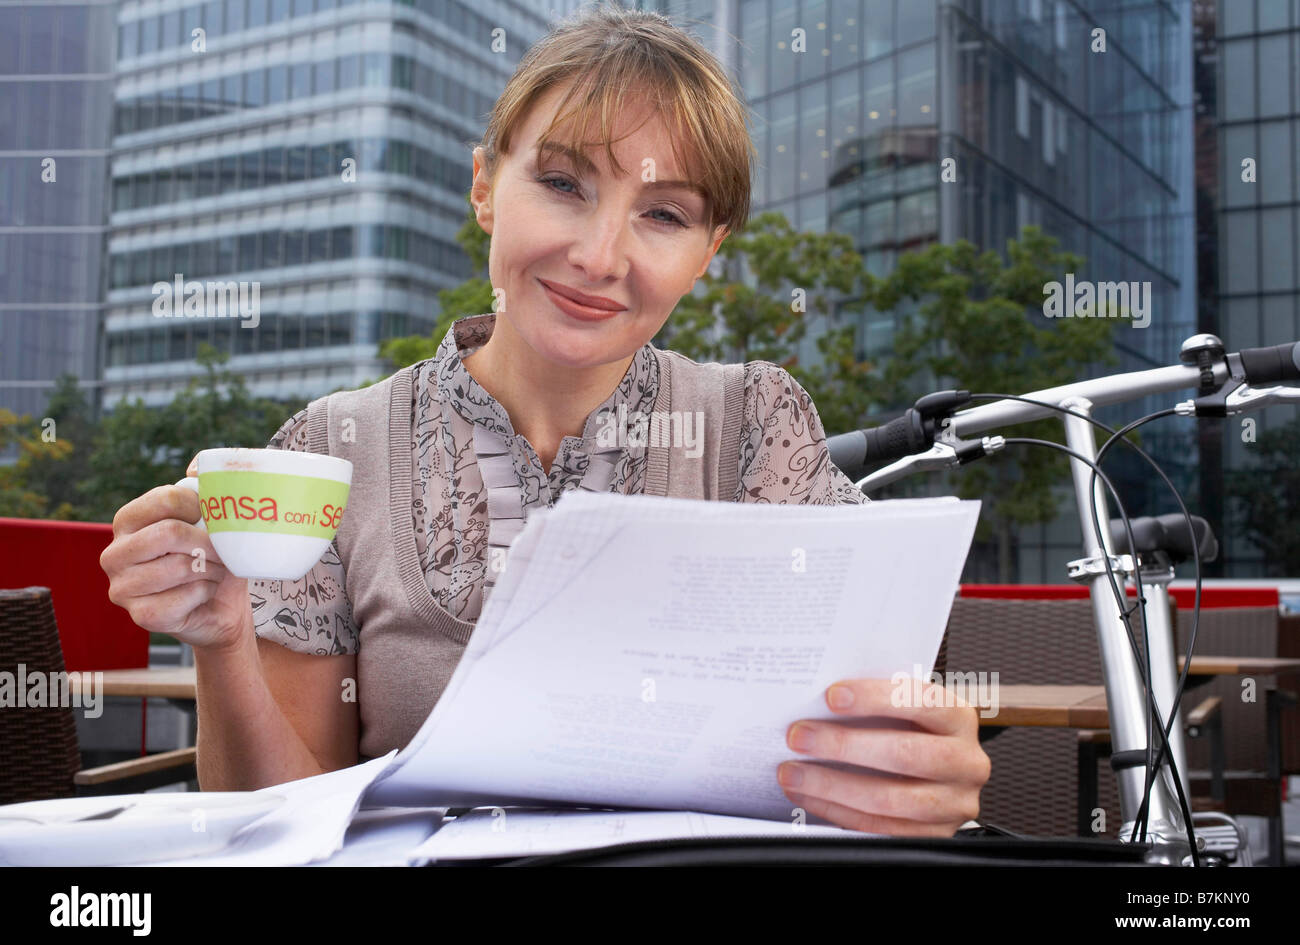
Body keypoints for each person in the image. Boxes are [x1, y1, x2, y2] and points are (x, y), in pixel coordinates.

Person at [101, 4, 988, 836]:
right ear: (485, 185)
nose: (599, 256)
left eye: (664, 215)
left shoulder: (756, 426)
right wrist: (220, 643)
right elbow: (280, 823)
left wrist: (919, 773)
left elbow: (868, 740)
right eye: (563, 183)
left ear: (708, 253)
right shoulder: (334, 449)